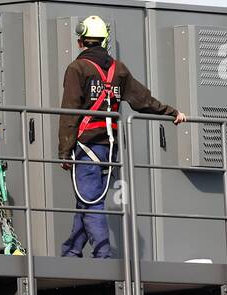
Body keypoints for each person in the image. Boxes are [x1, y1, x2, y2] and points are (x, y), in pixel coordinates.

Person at [58, 15, 185, 258]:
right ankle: (71, 252)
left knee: (91, 201)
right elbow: (143, 101)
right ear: (104, 41)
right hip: (110, 148)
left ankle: (103, 254)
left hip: (86, 147)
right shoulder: (119, 69)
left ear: (80, 41)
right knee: (87, 198)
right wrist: (172, 112)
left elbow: (69, 113)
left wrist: (64, 151)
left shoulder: (77, 69)